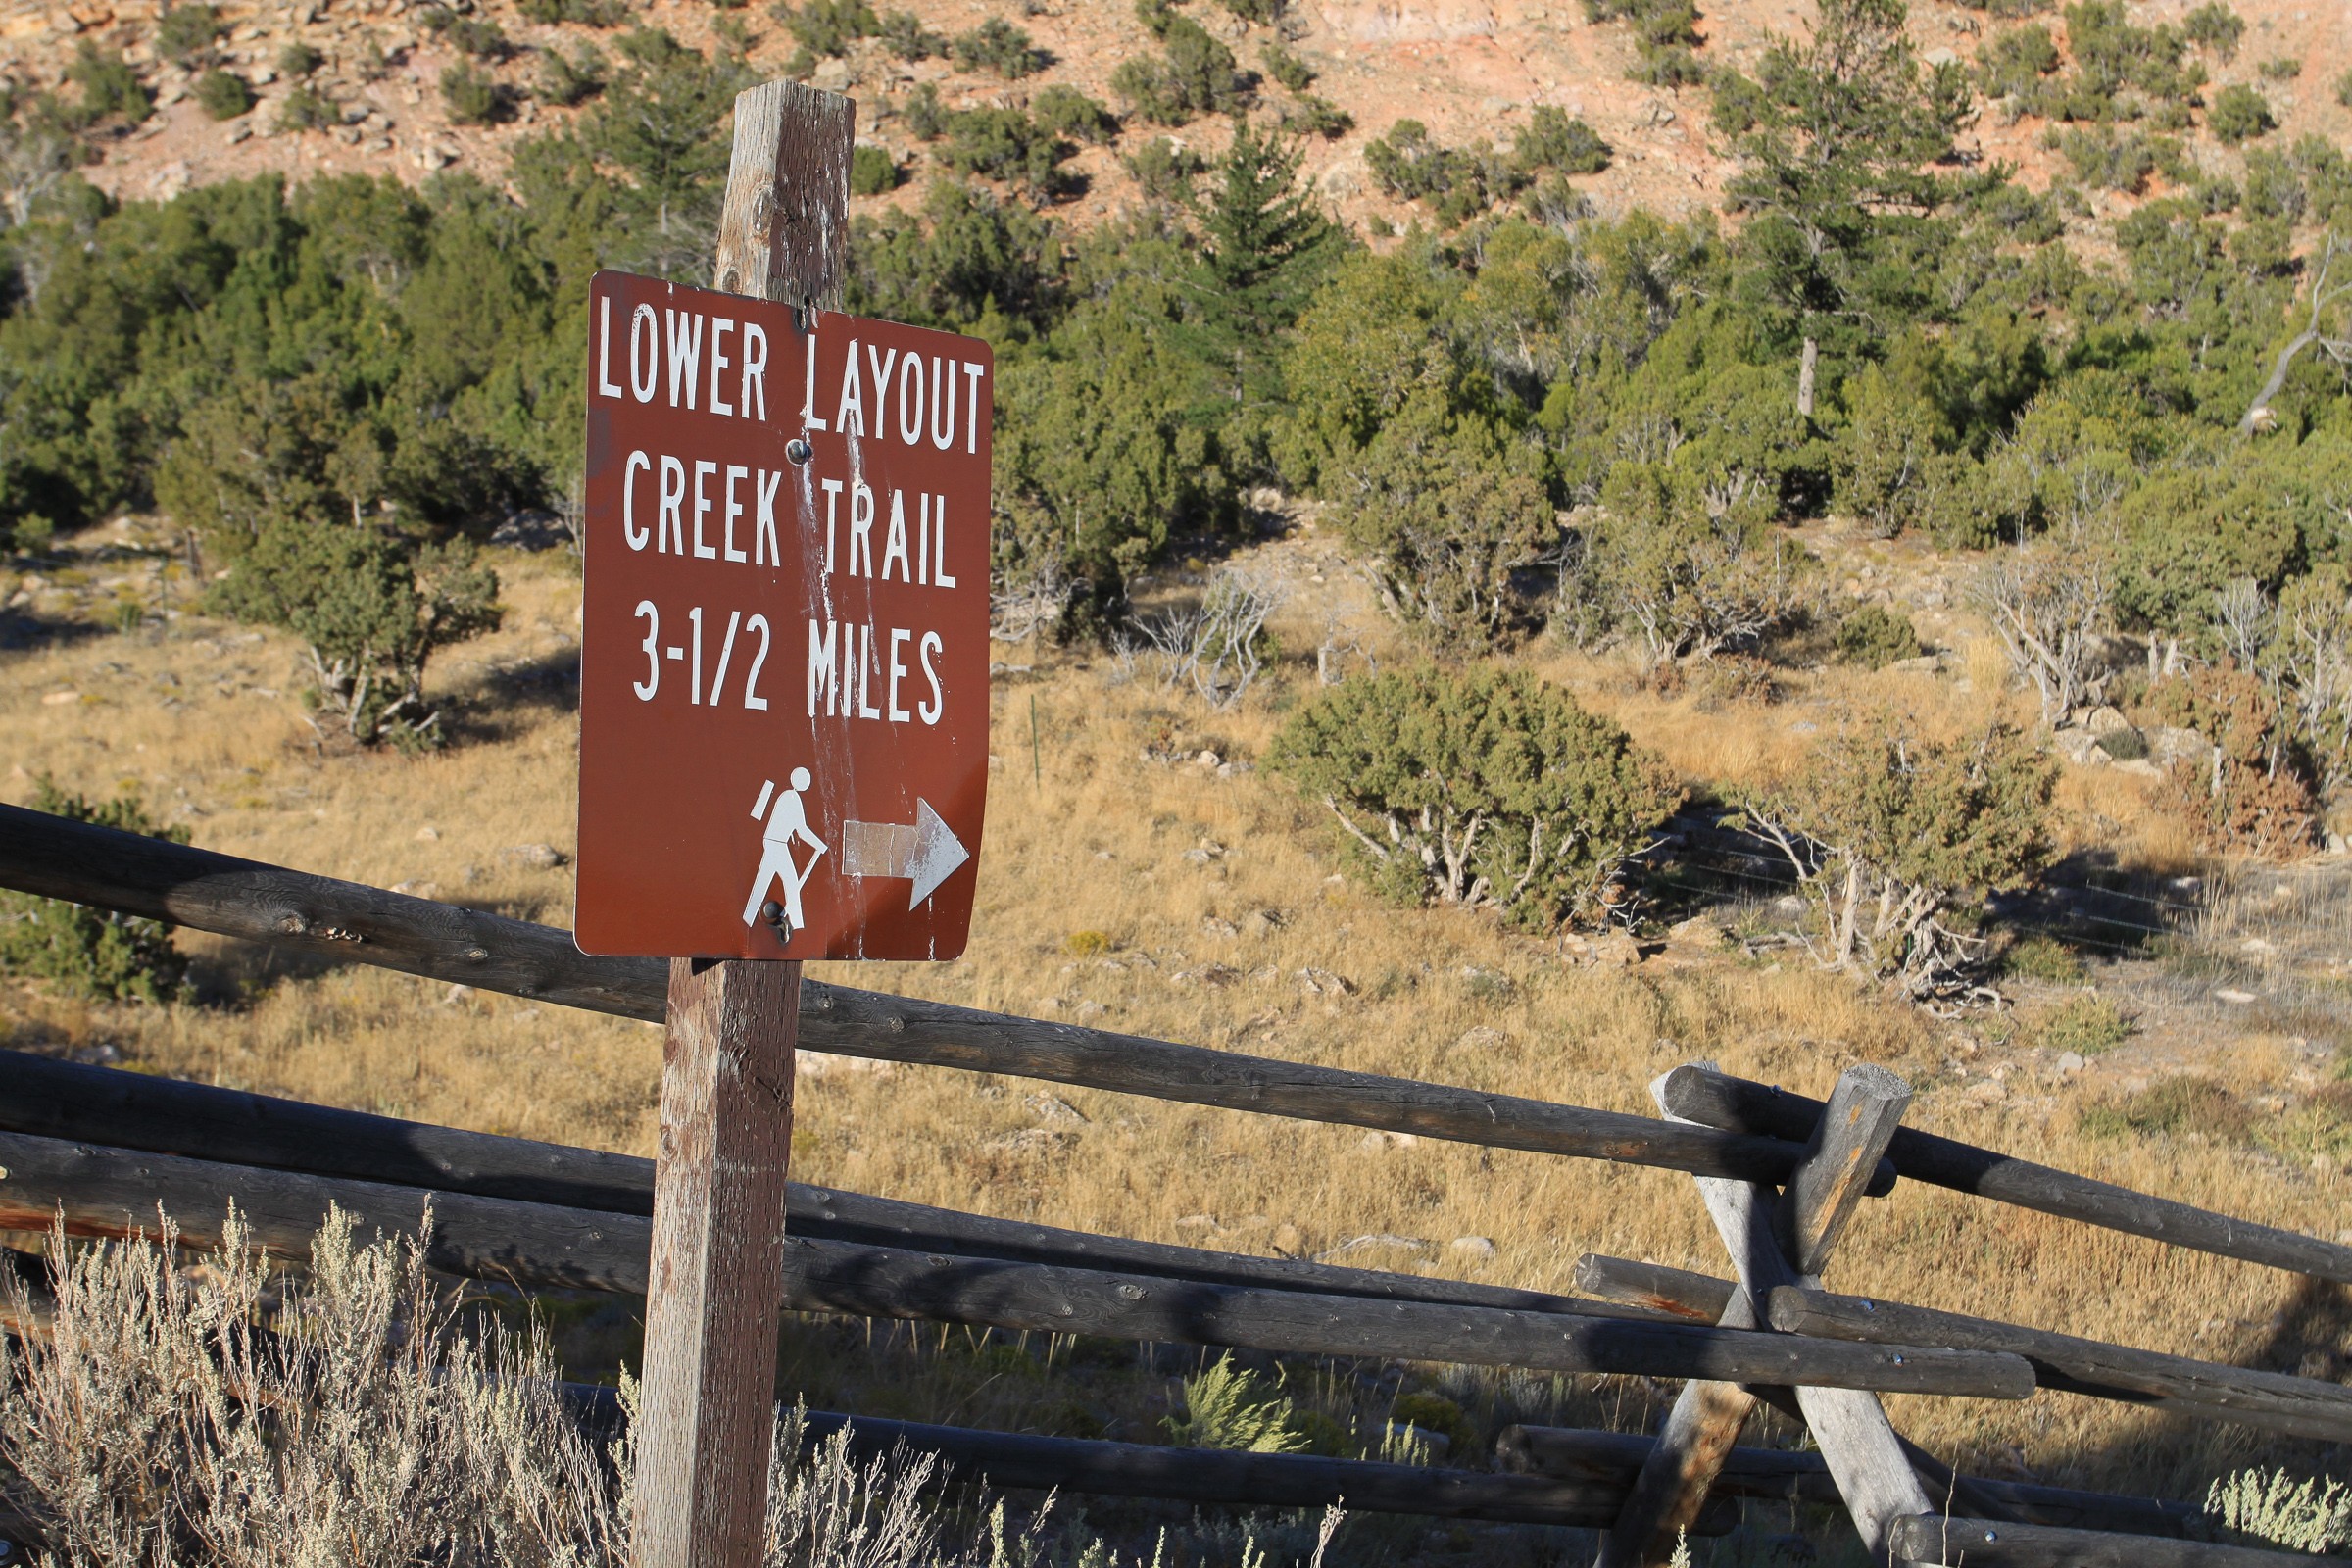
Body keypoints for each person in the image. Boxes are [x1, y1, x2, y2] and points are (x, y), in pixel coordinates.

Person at [742, 766, 826, 932]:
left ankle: (747, 918)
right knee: (791, 884)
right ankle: (797, 924)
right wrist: (819, 845)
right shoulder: (792, 798)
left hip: (774, 842)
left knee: (762, 883)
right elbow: (801, 830)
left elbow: (795, 828)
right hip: (777, 844)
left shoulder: (787, 796)